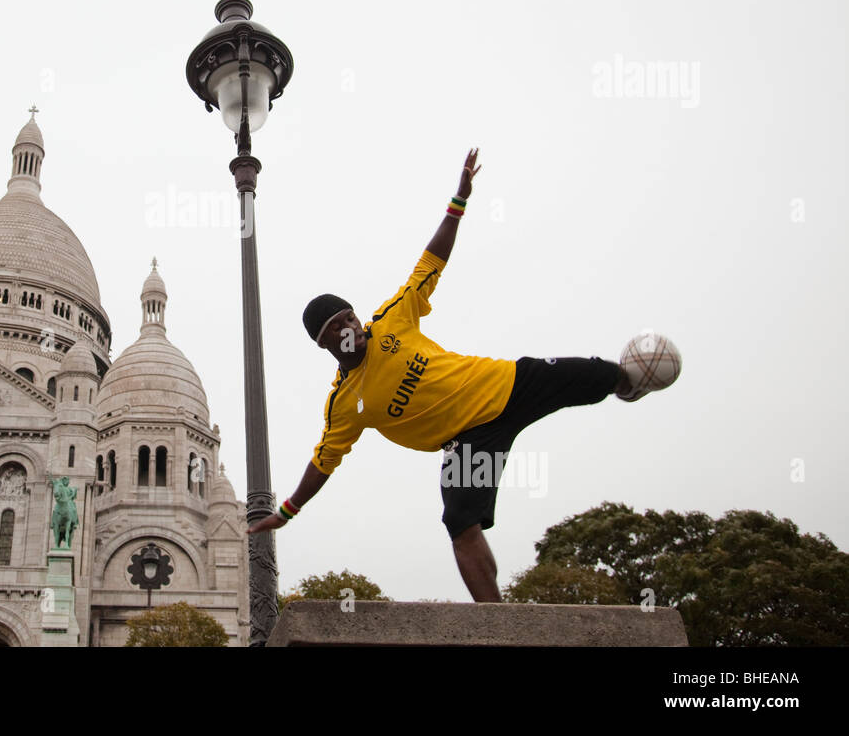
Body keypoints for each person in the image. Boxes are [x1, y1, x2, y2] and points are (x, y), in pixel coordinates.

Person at [248, 148, 658, 602]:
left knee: (593, 372)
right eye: (336, 329)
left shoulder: (392, 320)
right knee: (460, 523)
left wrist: (457, 203)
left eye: (349, 317)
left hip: (504, 385)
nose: (350, 329)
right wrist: (287, 510)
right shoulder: (345, 404)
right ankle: (497, 621)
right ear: (325, 345)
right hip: (468, 441)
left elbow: (431, 261)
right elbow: (324, 462)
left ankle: (630, 380)